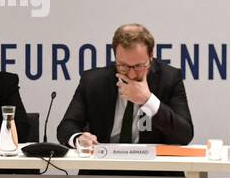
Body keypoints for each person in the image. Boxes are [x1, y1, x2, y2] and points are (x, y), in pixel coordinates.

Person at [57, 24, 193, 148]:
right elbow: (66, 126)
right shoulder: (93, 81)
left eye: (139, 66)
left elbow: (185, 134)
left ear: (151, 56)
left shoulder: (169, 78)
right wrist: (78, 139)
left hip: (155, 170)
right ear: (115, 56)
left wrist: (148, 100)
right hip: (103, 169)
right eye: (123, 66)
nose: (132, 74)